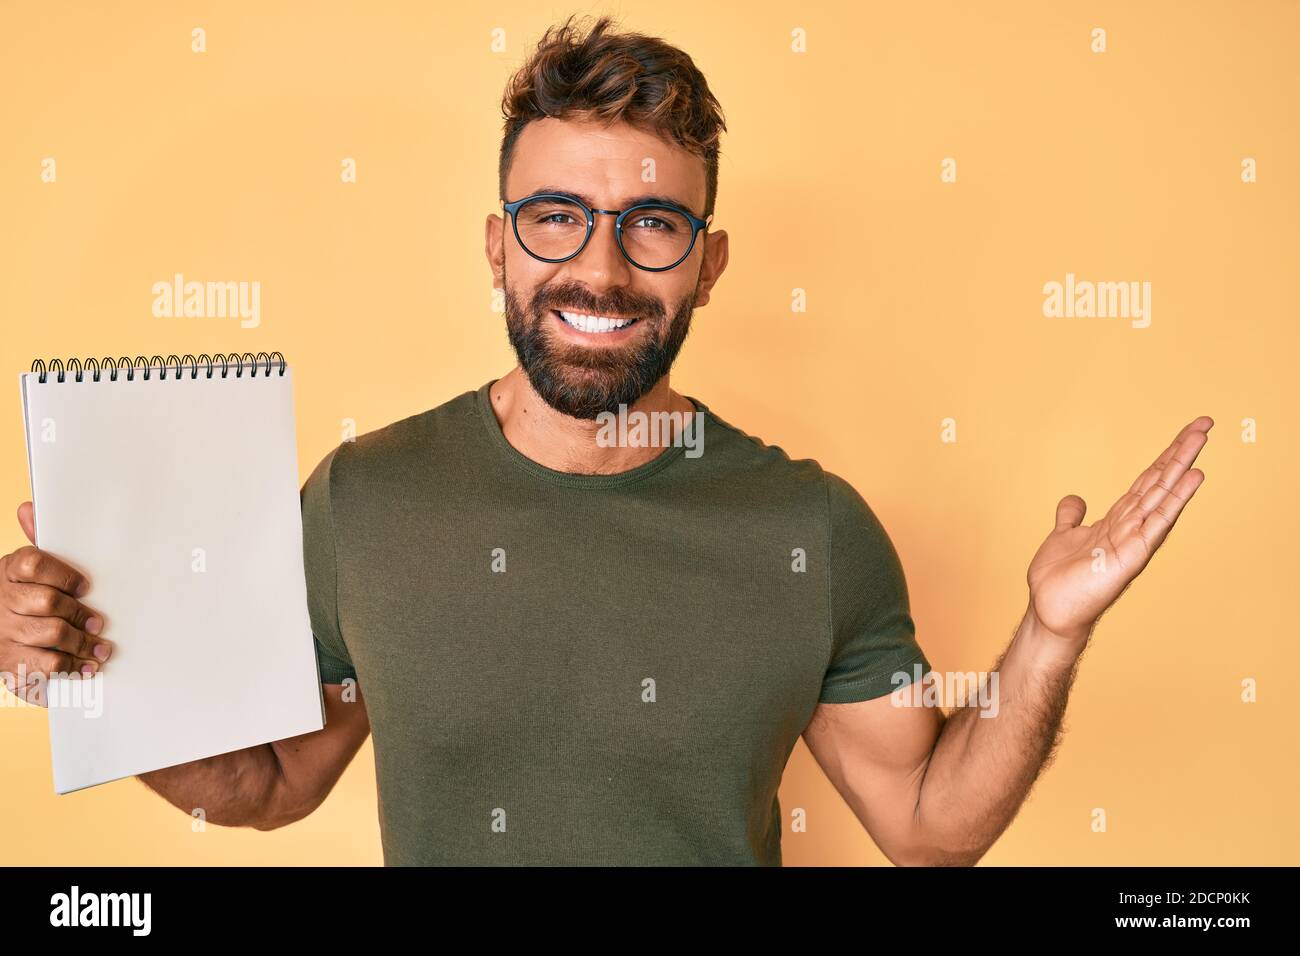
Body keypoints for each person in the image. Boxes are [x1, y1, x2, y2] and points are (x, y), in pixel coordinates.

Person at [0, 14, 1210, 866]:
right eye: (556, 217)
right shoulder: (365, 500)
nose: (597, 266)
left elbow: (930, 829)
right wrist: (94, 669)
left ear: (710, 263)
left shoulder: (811, 528)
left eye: (653, 225)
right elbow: (263, 786)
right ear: (496, 246)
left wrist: (1052, 631)